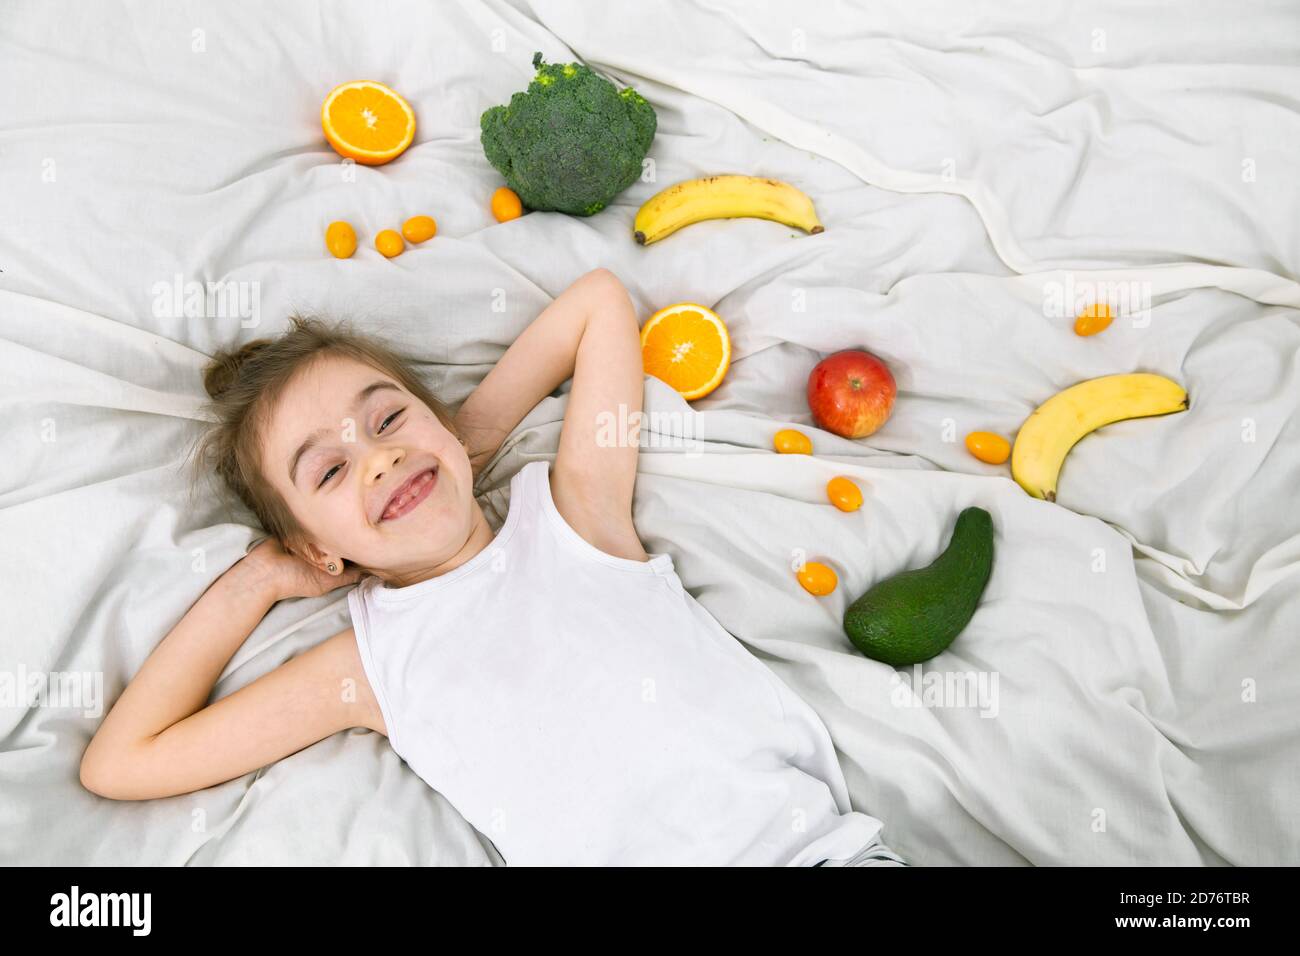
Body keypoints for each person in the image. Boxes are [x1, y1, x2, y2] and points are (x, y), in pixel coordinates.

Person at [78, 268, 907, 867]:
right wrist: (257, 581)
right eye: (328, 472)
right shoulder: (367, 671)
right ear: (314, 546)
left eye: (388, 418)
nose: (377, 460)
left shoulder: (576, 511)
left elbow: (598, 305)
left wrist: (453, 446)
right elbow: (121, 762)